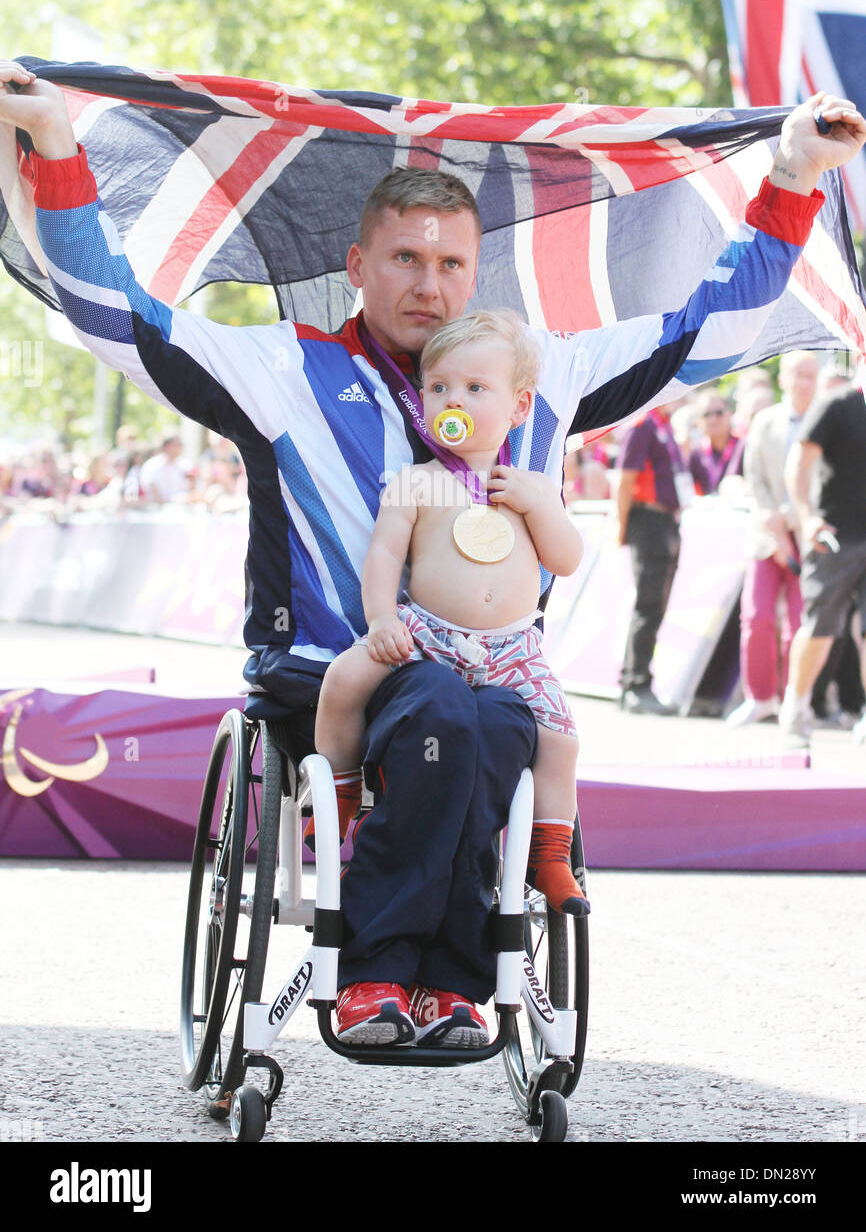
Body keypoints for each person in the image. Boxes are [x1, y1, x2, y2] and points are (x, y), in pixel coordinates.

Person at [2, 59, 863, 1043]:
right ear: (356, 264)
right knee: (450, 715)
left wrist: (794, 173)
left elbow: (710, 327)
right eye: (405, 258)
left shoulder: (543, 375)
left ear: (475, 272)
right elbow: (118, 317)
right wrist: (58, 149)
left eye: (452, 263)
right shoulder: (283, 368)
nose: (429, 283)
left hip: (492, 676)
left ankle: (450, 987)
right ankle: (380, 974)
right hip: (331, 674)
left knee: (483, 719)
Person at [315, 312, 588, 1044]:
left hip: (508, 654)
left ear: (519, 406)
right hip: (431, 645)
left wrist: (540, 504)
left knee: (548, 735)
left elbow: (566, 559)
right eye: (438, 388)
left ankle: (544, 859)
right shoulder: (417, 483)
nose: (453, 401)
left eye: (474, 387)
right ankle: (337, 788)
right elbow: (383, 556)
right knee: (351, 679)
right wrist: (382, 619)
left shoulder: (525, 487)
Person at [727, 351, 819, 727]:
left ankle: (795, 700)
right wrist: (773, 523)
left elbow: (825, 482)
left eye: (810, 375)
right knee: (757, 616)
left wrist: (792, 520)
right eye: (798, 374)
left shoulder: (826, 421)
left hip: (808, 537)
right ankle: (760, 698)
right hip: (766, 537)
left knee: (802, 625)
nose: (804, 383)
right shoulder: (765, 421)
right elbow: (755, 478)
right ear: (782, 379)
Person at [778, 376, 866, 747]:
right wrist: (807, 517)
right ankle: (796, 709)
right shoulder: (837, 403)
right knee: (820, 627)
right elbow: (798, 465)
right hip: (833, 536)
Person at [615, 400, 689, 714]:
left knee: (655, 606)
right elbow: (625, 479)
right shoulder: (644, 424)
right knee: (648, 605)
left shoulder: (662, 425)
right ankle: (635, 684)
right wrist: (621, 526)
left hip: (666, 520)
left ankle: (637, 681)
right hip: (648, 520)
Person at [688, 389, 744, 495]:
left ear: (729, 414)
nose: (713, 419)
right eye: (706, 414)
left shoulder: (744, 446)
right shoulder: (695, 454)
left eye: (719, 413)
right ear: (698, 420)